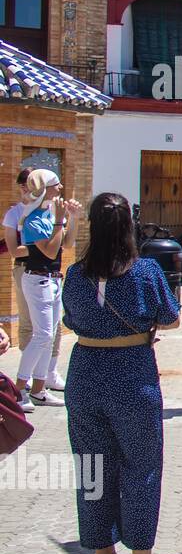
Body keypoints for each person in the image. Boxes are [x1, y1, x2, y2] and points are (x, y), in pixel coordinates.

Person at [62, 192, 182, 554]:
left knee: (93, 467)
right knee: (141, 466)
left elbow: (70, 318)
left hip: (84, 375)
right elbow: (170, 317)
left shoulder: (75, 276)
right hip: (132, 376)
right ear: (129, 227)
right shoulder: (145, 271)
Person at [15, 169, 79, 410]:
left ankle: (39, 390)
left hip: (52, 279)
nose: (61, 187)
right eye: (55, 183)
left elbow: (68, 243)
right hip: (37, 280)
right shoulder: (33, 220)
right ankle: (19, 389)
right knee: (42, 335)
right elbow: (50, 251)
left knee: (50, 336)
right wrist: (60, 220)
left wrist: (72, 217)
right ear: (44, 189)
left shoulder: (50, 215)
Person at [4, 168, 64, 389]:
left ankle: (47, 374)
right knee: (33, 327)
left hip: (51, 274)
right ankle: (24, 381)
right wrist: (42, 247)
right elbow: (15, 250)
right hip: (27, 271)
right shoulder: (18, 214)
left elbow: (62, 245)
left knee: (52, 329)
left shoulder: (51, 212)